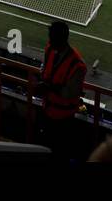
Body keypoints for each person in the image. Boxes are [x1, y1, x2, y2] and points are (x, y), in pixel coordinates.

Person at [37, 21, 87, 157]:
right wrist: (42, 78)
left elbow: (69, 93)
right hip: (46, 109)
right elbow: (44, 68)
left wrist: (48, 87)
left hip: (63, 118)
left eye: (52, 37)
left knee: (59, 151)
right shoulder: (50, 48)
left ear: (61, 39)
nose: (49, 40)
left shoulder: (78, 65)